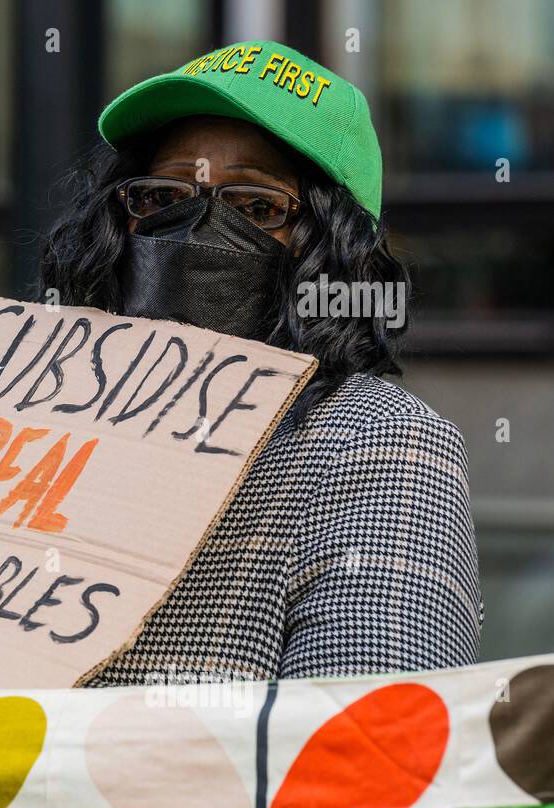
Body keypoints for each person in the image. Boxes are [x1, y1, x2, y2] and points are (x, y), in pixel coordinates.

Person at [39, 41, 483, 684]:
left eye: (257, 207)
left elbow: (360, 752)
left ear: (335, 250)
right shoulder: (43, 417)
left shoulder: (378, 443)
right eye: (163, 197)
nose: (194, 230)